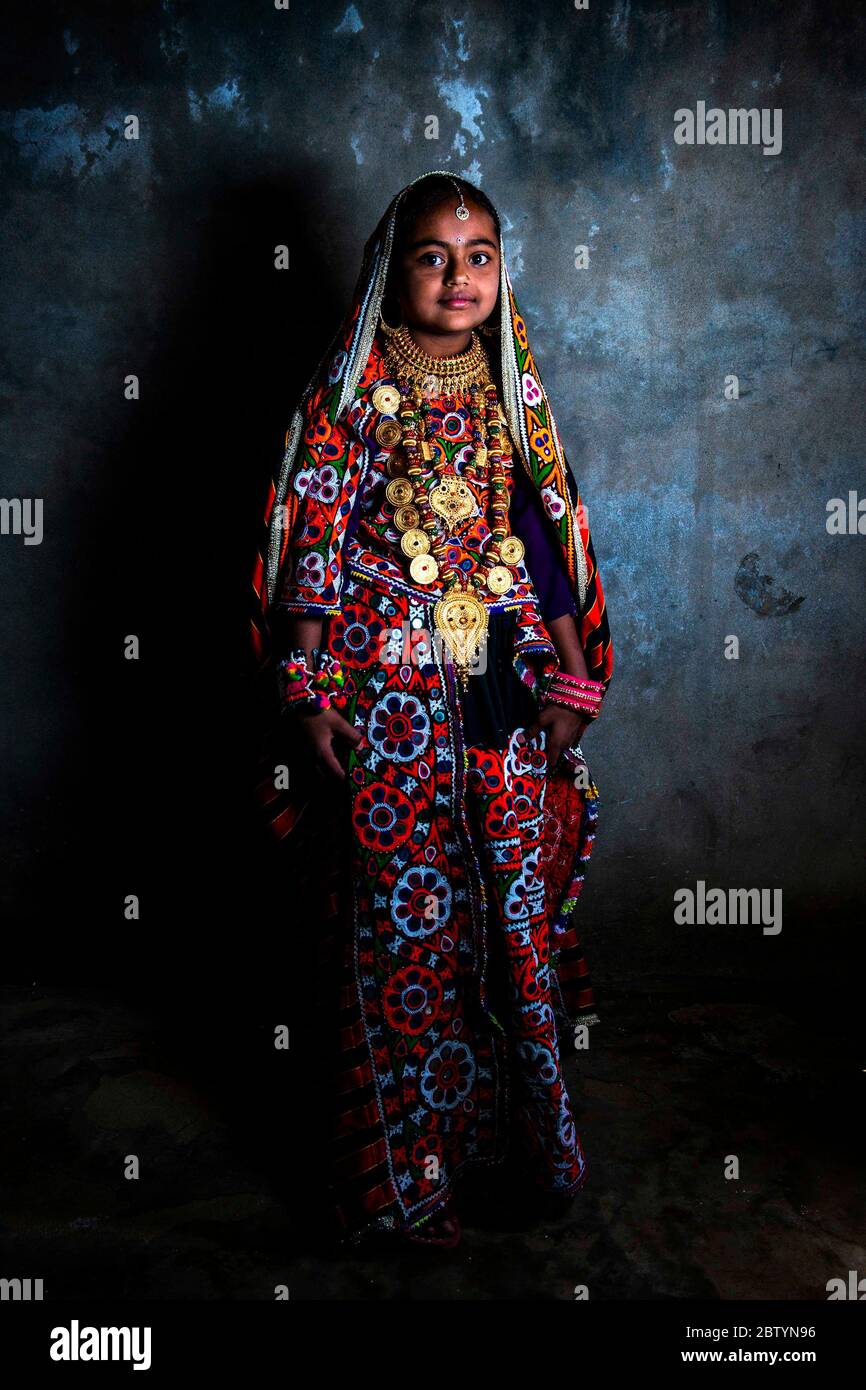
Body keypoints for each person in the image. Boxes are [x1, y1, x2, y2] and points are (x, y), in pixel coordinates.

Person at [250, 171, 613, 1250]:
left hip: (496, 685)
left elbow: (548, 550)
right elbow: (307, 548)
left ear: (502, 270)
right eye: (432, 254)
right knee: (398, 928)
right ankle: (397, 1186)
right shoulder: (350, 397)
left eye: (479, 254)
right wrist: (309, 693)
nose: (459, 276)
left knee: (504, 909)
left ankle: (515, 1155)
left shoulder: (513, 395)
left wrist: (571, 676)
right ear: (389, 267)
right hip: (383, 694)